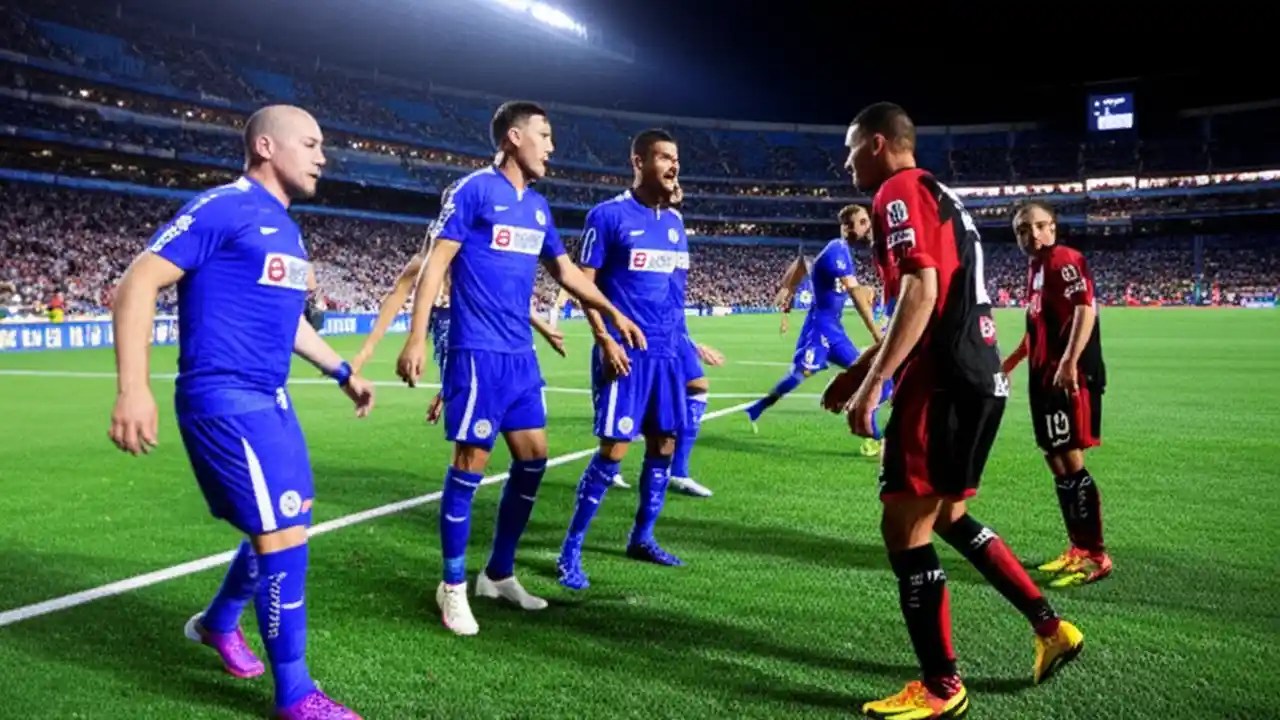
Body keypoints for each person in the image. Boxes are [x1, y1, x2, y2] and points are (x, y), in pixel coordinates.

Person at [107, 105, 371, 720]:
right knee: (281, 538)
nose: (323, 155)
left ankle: (219, 622)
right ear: (264, 147)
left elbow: (289, 323)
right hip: (224, 399)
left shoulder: (285, 226)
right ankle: (296, 695)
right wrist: (132, 388)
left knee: (291, 519)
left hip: (269, 398)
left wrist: (341, 372)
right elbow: (138, 282)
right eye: (310, 142)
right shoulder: (223, 205)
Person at [834, 102, 1083, 719]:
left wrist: (876, 386)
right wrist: (866, 366)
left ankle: (941, 686)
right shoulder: (940, 194)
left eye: (850, 148)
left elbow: (922, 291)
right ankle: (1051, 629)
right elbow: (931, 300)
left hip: (941, 381)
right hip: (981, 375)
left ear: (876, 143)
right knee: (948, 516)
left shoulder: (897, 189)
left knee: (903, 528)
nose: (844, 162)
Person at [393, 100, 644, 636]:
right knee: (471, 464)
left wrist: (613, 311)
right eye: (544, 135)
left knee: (533, 459)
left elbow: (568, 274)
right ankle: (453, 586)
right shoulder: (473, 191)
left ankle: (498, 574)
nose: (552, 146)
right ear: (513, 137)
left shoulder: (537, 207)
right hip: (477, 352)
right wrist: (416, 339)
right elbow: (436, 262)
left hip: (519, 357)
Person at [556, 129, 698, 589]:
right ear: (638, 161)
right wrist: (604, 338)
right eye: (663, 157)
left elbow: (676, 297)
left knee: (664, 445)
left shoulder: (675, 225)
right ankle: (571, 550)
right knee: (613, 451)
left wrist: (686, 347)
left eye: (676, 158)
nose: (673, 166)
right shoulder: (609, 216)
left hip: (667, 354)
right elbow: (585, 283)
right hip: (626, 356)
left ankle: (642, 537)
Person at [1001, 201, 1111, 587]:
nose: (1033, 235)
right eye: (1023, 230)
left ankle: (1096, 555)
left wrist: (1068, 363)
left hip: (1069, 377)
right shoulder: (1035, 270)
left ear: (1054, 228)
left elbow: (1086, 310)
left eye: (1041, 225)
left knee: (1072, 462)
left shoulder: (1063, 258)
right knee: (1056, 460)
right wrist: (1010, 363)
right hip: (1043, 378)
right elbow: (1036, 332)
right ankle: (1078, 548)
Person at [351, 250, 566, 424]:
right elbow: (397, 295)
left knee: (521, 440)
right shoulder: (425, 263)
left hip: (489, 347)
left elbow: (504, 295)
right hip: (463, 355)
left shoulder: (472, 262)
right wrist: (366, 351)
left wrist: (543, 327)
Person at [746, 205, 885, 454]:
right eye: (862, 222)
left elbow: (804, 263)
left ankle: (871, 432)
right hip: (820, 329)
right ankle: (757, 408)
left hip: (835, 331)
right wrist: (876, 334)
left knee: (868, 376)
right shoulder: (836, 249)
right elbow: (854, 293)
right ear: (846, 227)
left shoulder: (841, 253)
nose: (867, 227)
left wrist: (788, 288)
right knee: (801, 374)